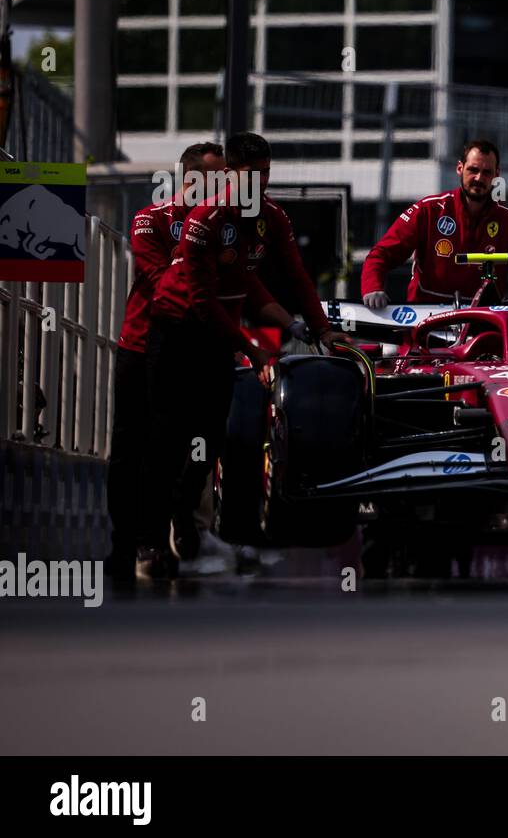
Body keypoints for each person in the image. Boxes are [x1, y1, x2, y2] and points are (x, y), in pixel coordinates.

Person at [142, 132, 347, 569]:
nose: (263, 183)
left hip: (219, 335)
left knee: (211, 435)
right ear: (232, 174)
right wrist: (251, 349)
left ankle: (183, 516)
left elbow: (296, 278)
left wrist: (321, 329)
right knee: (166, 436)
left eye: (268, 174)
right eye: (254, 175)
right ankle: (152, 544)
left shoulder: (272, 217)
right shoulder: (205, 217)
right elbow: (201, 303)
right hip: (176, 331)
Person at [106, 141, 224, 580]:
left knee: (190, 445)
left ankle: (174, 532)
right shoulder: (150, 221)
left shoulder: (225, 225)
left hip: (195, 354)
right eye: (217, 178)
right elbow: (164, 284)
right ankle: (129, 544)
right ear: (192, 180)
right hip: (141, 347)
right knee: (130, 448)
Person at [361, 140, 508, 307]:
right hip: (425, 322)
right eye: (473, 170)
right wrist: (372, 288)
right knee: (389, 352)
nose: (479, 178)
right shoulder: (429, 210)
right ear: (459, 168)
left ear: (497, 175)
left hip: (484, 326)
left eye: (487, 172)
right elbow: (380, 255)